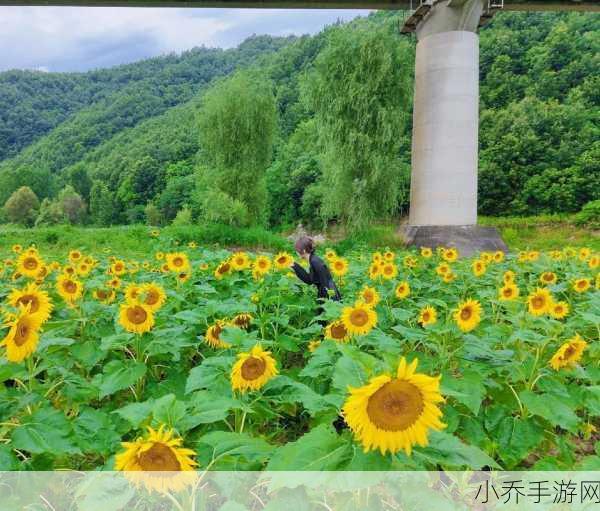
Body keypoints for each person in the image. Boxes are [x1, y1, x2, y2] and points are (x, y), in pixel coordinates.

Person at [291, 236, 341, 319]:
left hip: (328, 294)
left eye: (297, 250)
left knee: (326, 320)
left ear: (303, 251)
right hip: (325, 293)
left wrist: (328, 301)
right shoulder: (313, 260)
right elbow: (310, 280)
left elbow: (325, 281)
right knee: (322, 320)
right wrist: (295, 266)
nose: (296, 252)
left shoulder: (315, 261)